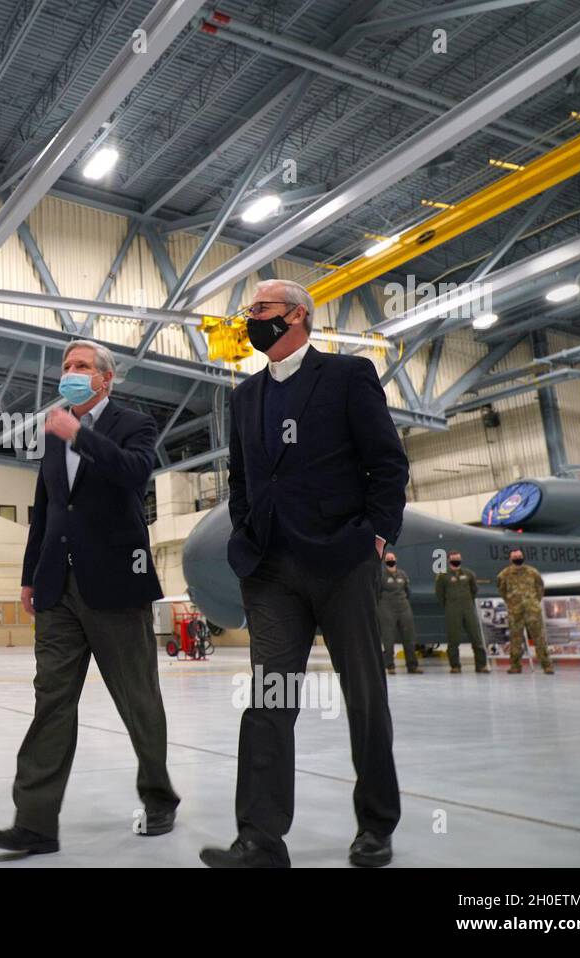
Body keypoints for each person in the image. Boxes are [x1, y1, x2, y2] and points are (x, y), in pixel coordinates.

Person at [200, 279, 409, 869]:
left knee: (363, 694)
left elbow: (387, 464)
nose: (249, 319)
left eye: (259, 310)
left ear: (296, 316)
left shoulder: (347, 376)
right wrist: (247, 532)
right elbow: (242, 480)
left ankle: (376, 826)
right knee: (270, 698)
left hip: (342, 562)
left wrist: (373, 536)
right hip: (270, 570)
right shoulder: (244, 397)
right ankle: (260, 840)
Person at [0, 340, 177, 855]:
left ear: (106, 379)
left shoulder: (134, 423)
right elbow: (44, 509)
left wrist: (80, 437)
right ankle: (36, 823)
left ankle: (159, 798)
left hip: (116, 583)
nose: (71, 373)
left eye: (82, 367)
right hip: (57, 590)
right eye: (67, 366)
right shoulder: (54, 434)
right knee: (52, 703)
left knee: (138, 700)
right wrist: (30, 575)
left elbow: (135, 474)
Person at [496, 548, 552, 674]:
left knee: (540, 638)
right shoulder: (504, 574)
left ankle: (547, 665)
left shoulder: (532, 572)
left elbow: (540, 588)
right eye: (515, 556)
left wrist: (533, 602)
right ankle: (515, 666)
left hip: (532, 611)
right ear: (510, 559)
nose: (518, 558)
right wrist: (512, 603)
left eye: (519, 555)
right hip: (515, 612)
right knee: (515, 640)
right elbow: (502, 590)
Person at [435, 550, 488, 674]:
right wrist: (449, 605)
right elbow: (440, 595)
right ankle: (455, 666)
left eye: (458, 558)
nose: (456, 560)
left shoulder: (469, 574)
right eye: (454, 558)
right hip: (452, 610)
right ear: (449, 560)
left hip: (468, 608)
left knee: (476, 637)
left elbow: (474, 590)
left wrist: (467, 602)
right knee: (453, 639)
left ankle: (481, 665)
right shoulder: (443, 576)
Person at [378, 552, 420, 674]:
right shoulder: (381, 575)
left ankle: (412, 666)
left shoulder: (402, 574)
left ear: (396, 559)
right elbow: (377, 592)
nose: (390, 560)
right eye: (388, 559)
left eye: (392, 558)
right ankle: (390, 666)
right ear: (384, 561)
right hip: (387, 608)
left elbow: (408, 591)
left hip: (403, 606)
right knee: (388, 638)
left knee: (409, 637)